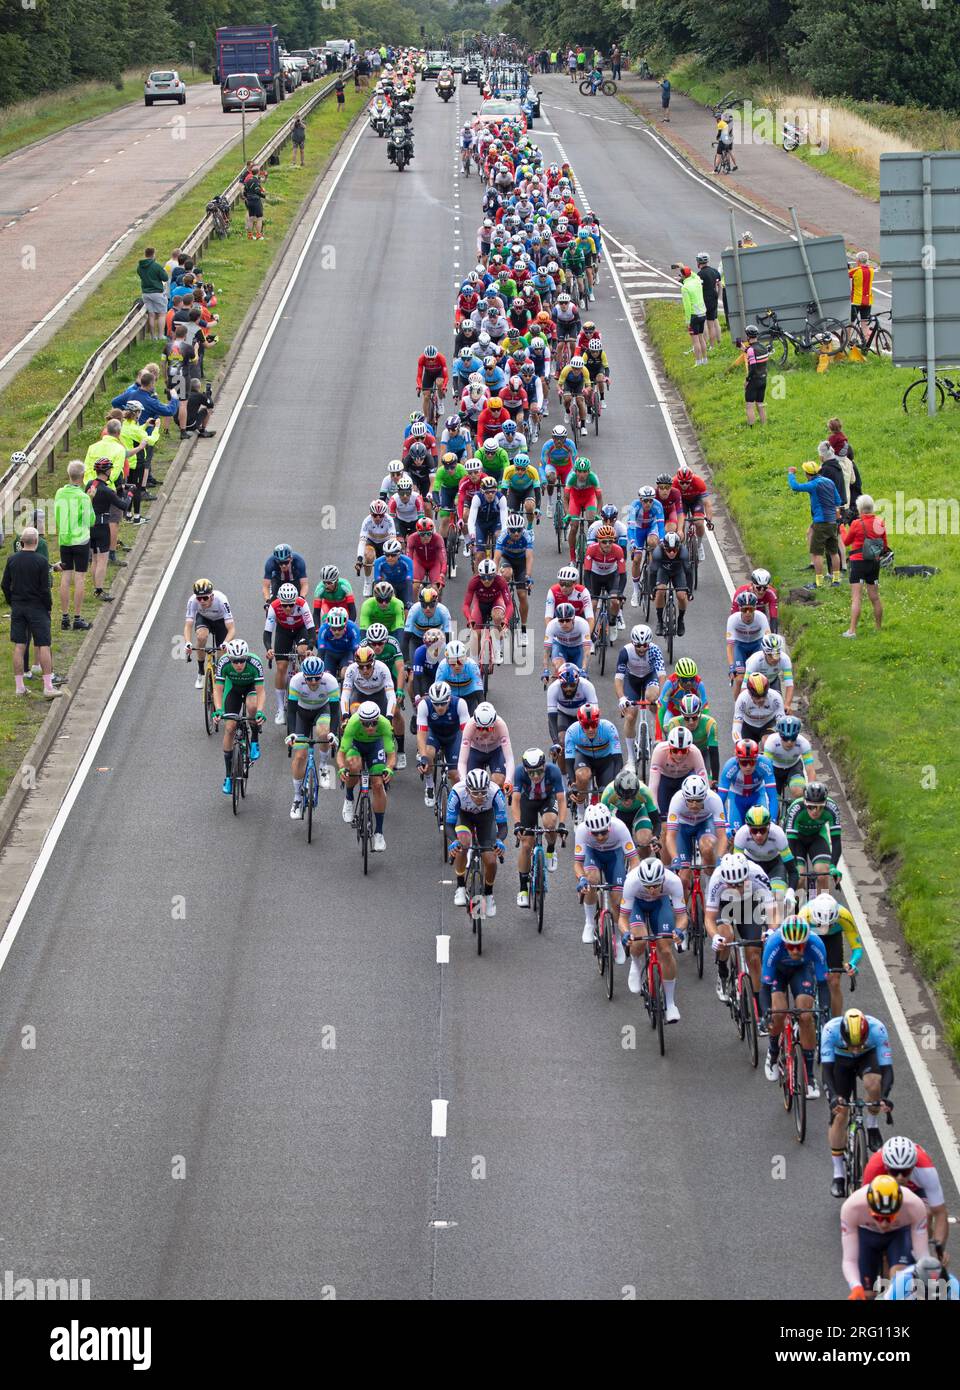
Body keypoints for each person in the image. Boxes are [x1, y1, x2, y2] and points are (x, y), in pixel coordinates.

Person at [2, 527, 62, 699]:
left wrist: (11, 601)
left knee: (19, 645)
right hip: (37, 607)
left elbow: (5, 584)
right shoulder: (41, 561)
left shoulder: (12, 559)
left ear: (21, 542)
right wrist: (48, 606)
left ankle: (20, 686)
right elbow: (45, 589)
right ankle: (48, 686)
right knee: (43, 644)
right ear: (36, 542)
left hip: (18, 607)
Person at [53, 460, 95, 631]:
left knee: (65, 577)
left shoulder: (59, 493)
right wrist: (90, 498)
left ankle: (64, 617)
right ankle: (77, 618)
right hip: (81, 540)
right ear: (82, 476)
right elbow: (90, 521)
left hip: (65, 539)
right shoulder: (83, 497)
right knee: (80, 578)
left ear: (69, 475)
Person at [787, 460, 842, 588]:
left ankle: (819, 582)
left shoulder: (813, 484)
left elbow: (795, 487)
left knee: (817, 553)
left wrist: (791, 474)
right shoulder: (829, 482)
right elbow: (838, 501)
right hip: (832, 522)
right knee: (834, 552)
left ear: (807, 474)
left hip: (821, 523)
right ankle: (836, 580)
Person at [839, 495, 888, 637]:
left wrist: (842, 527)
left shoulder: (856, 524)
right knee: (875, 597)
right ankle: (878, 628)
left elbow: (846, 541)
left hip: (858, 562)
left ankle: (852, 631)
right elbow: (884, 544)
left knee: (856, 598)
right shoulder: (880, 522)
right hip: (874, 562)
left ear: (860, 509)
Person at [136, 246, 169, 341]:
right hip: (157, 292)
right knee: (162, 314)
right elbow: (165, 278)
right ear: (153, 254)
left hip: (145, 293)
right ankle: (161, 335)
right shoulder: (156, 266)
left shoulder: (140, 267)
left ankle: (153, 336)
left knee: (151, 314)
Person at [679, 266, 707, 366]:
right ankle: (705, 359)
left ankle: (698, 361)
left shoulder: (685, 288)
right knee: (701, 337)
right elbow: (694, 274)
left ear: (683, 276)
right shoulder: (697, 280)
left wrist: (688, 321)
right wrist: (684, 267)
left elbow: (687, 306)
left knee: (695, 340)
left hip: (693, 315)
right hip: (702, 312)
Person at [848, 251, 874, 323]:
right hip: (868, 301)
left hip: (856, 300)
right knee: (864, 323)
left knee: (850, 322)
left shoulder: (856, 270)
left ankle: (847, 335)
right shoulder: (871, 270)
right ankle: (864, 334)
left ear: (858, 260)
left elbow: (847, 274)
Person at [243, 166, 266, 241]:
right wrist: (264, 195)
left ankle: (250, 235)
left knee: (251, 218)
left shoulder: (248, 180)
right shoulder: (256, 181)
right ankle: (259, 235)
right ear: (258, 172)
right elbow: (257, 191)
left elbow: (244, 192)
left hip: (249, 200)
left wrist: (247, 197)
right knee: (259, 218)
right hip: (256, 200)